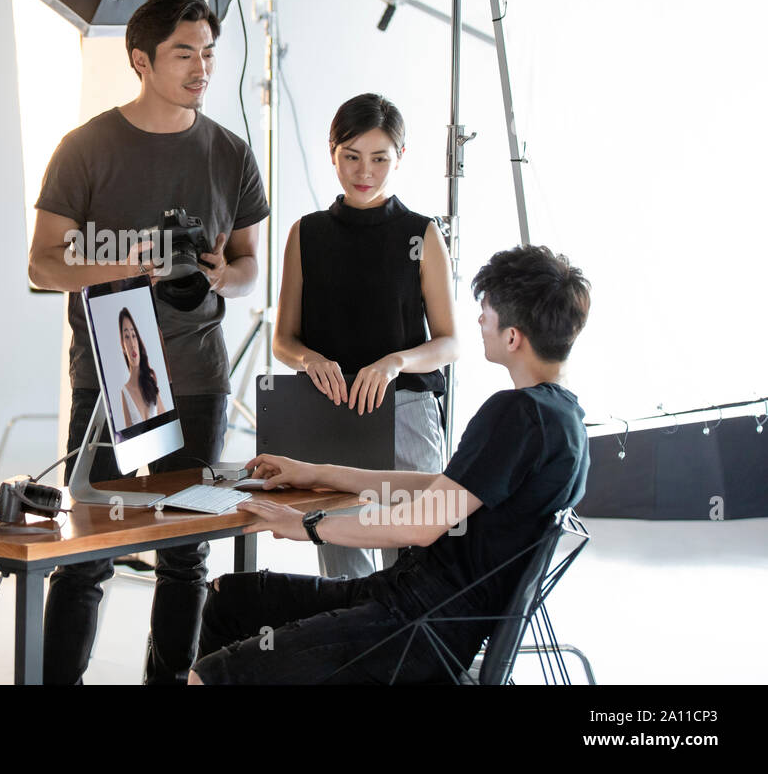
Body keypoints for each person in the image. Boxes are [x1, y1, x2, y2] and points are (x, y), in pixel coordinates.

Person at [189, 244, 592, 684]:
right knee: (229, 600)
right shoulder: (562, 420)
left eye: (487, 312)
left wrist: (307, 525)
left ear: (513, 337)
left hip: (412, 630)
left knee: (212, 677)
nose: (479, 320)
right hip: (408, 604)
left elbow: (419, 525)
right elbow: (437, 488)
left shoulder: (516, 414)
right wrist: (316, 472)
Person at [28, 0, 270, 684]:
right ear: (141, 60)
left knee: (185, 549)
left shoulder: (230, 153)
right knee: (88, 550)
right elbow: (43, 263)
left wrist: (225, 275)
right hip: (109, 373)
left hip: (197, 374)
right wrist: (132, 265)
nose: (202, 68)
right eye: (184, 53)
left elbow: (251, 267)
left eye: (211, 53)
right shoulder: (87, 148)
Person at [272, 92, 460, 581]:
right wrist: (308, 359)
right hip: (332, 413)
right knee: (340, 560)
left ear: (401, 157)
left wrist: (394, 361)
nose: (364, 172)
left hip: (407, 413)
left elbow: (449, 342)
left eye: (380, 158)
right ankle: (354, 657)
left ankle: (416, 658)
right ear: (331, 152)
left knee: (413, 560)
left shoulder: (422, 234)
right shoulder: (306, 234)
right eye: (351, 156)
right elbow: (283, 340)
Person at [117, 308, 166, 428]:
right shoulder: (125, 392)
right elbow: (130, 436)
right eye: (127, 337)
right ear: (123, 345)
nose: (132, 344)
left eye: (133, 335)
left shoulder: (150, 381)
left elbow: (167, 421)